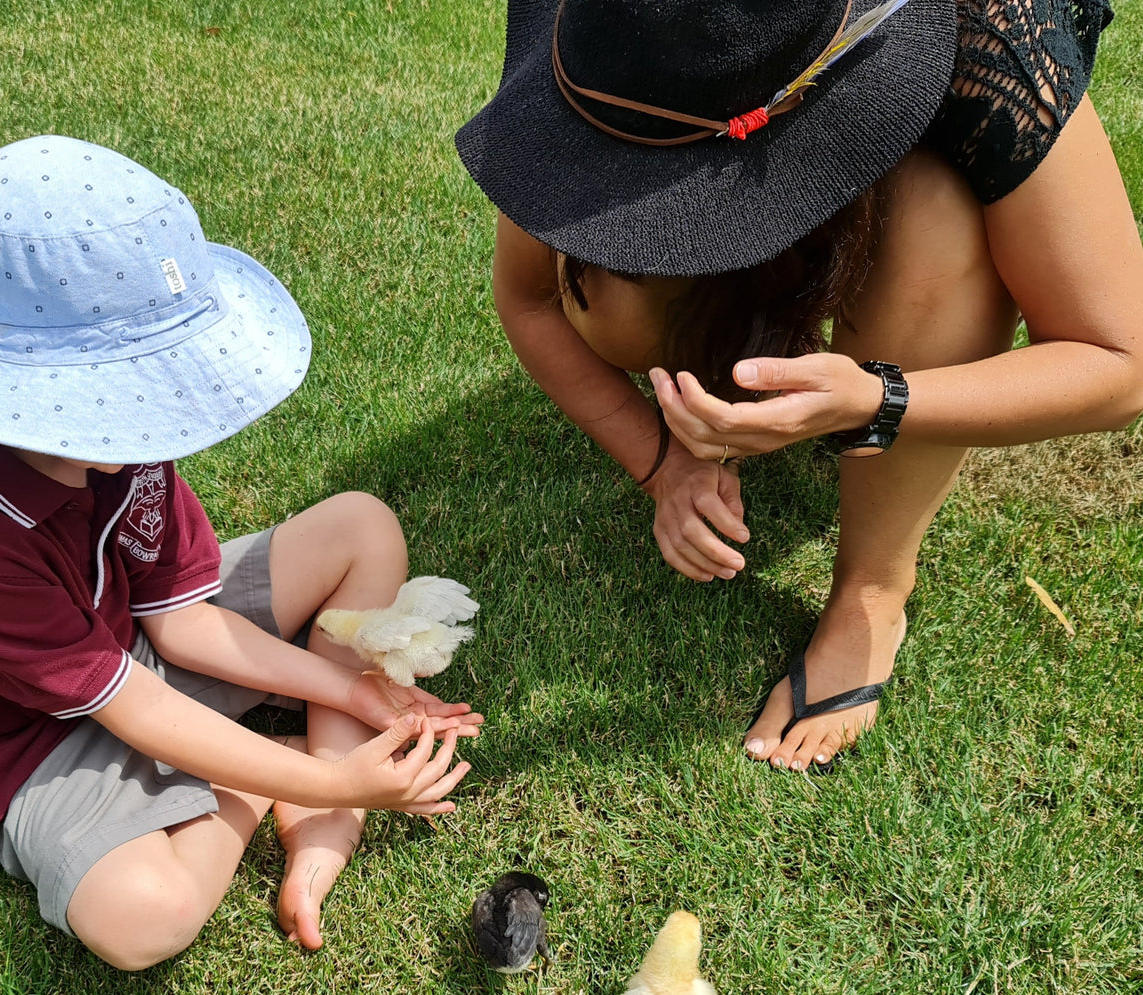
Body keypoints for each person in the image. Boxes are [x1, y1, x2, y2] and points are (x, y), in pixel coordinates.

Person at [456, 0, 1142, 772]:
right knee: (619, 308)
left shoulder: (993, 42)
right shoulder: (606, 40)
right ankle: (750, 342)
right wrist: (663, 462)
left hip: (919, 160)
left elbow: (1119, 363)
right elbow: (531, 297)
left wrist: (874, 401)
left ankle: (873, 592)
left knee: (937, 220)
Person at [0, 135, 482, 970]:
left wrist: (355, 690)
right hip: (36, 735)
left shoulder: (119, 439)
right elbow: (126, 706)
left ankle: (323, 810)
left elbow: (179, 621)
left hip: (130, 643)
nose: (142, 422)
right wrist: (324, 781)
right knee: (143, 919)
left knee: (361, 527)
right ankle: (281, 778)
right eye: (119, 391)